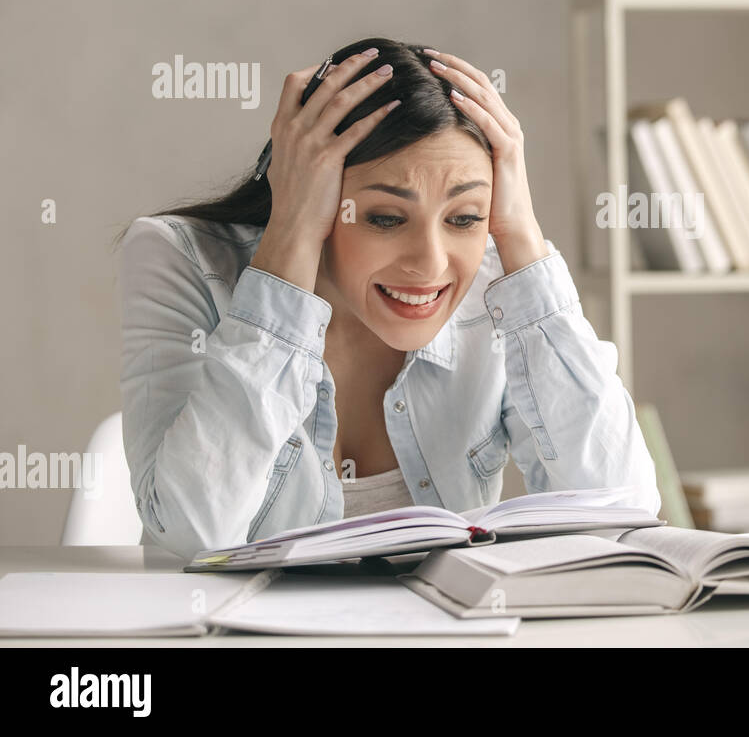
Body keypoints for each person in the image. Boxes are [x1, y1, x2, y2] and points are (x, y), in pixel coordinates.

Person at [114, 36, 660, 560]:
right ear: (315, 198)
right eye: (385, 218)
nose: (430, 263)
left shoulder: (503, 286)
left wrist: (520, 232)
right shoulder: (180, 259)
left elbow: (621, 513)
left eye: (465, 218)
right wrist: (290, 239)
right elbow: (193, 531)